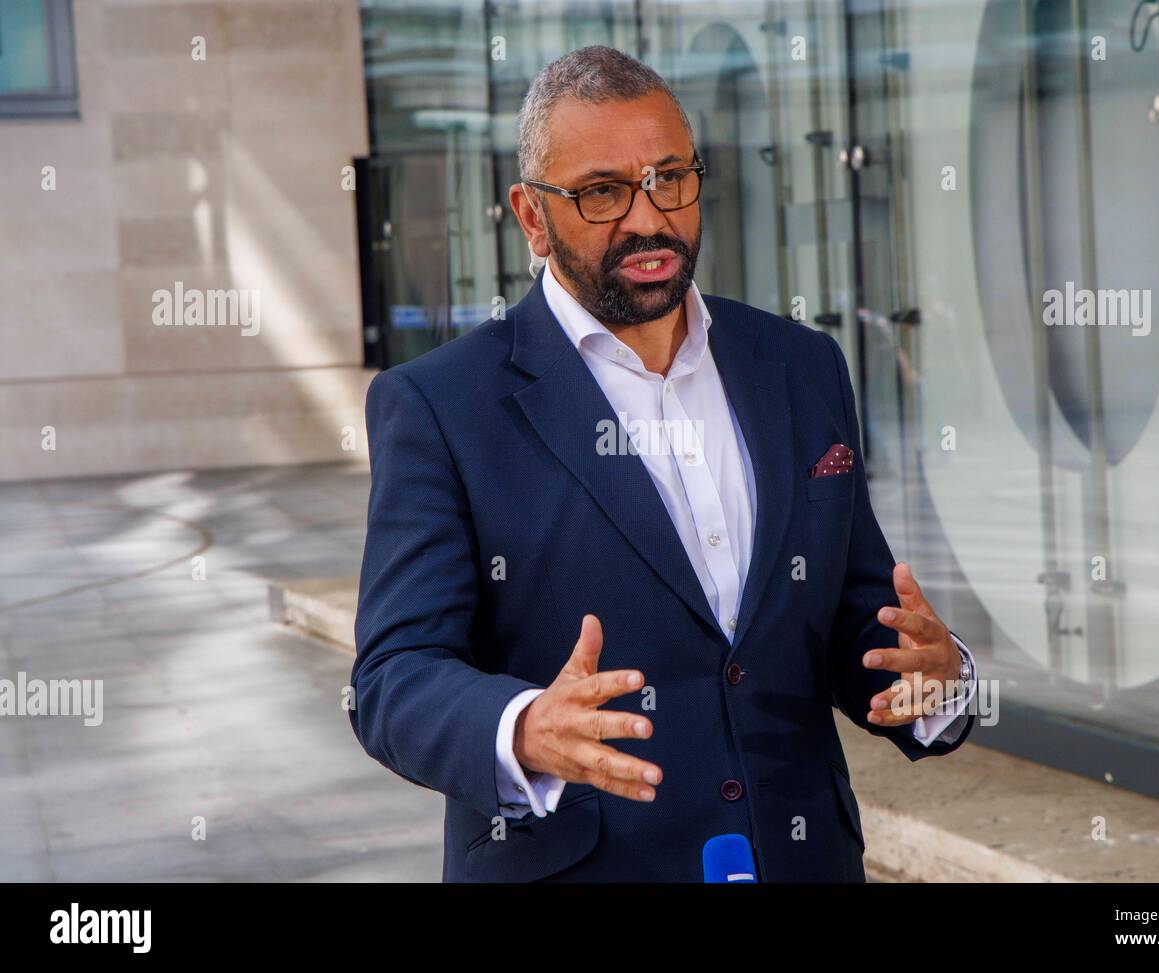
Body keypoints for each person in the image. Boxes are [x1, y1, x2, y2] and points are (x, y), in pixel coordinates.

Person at [349, 45, 977, 882]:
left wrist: (935, 677)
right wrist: (526, 725)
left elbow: (851, 620)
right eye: (603, 192)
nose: (649, 218)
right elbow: (392, 678)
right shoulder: (440, 406)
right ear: (531, 216)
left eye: (670, 178)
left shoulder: (800, 364)